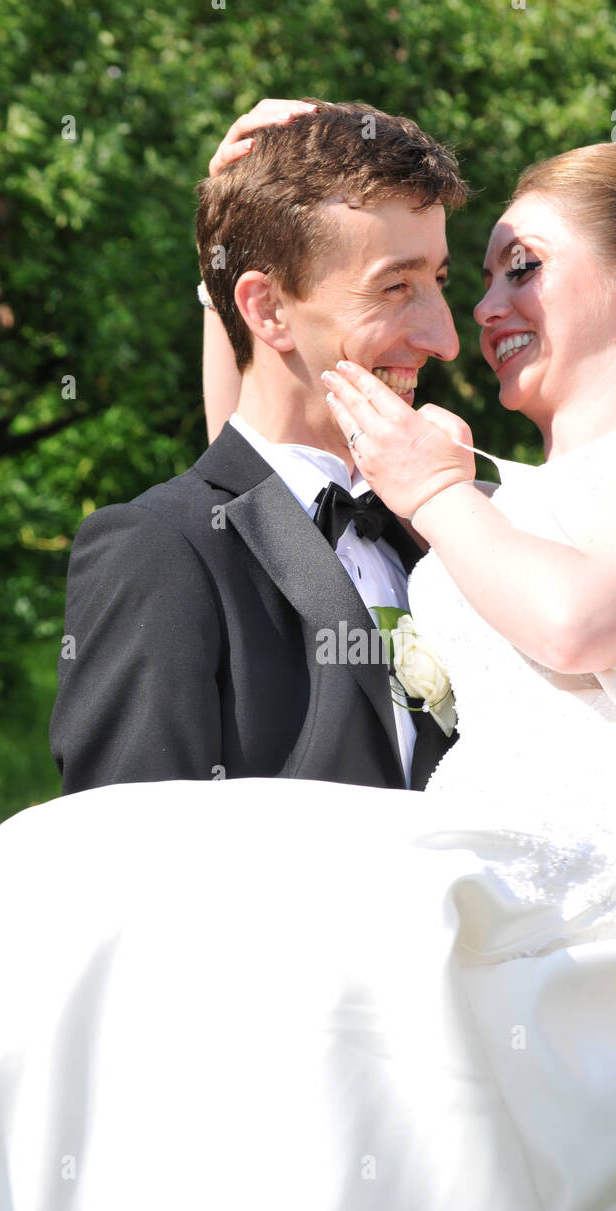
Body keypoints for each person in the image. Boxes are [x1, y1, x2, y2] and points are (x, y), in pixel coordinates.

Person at [0, 134, 616, 1211]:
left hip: (607, 891)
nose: (475, 315)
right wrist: (239, 235)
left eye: (515, 270)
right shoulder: (486, 491)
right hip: (487, 866)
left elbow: (574, 620)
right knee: (70, 865)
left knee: (370, 911)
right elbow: (252, 480)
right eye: (461, 277)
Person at [48, 100, 467, 796]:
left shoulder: (452, 527)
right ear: (268, 309)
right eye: (396, 286)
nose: (444, 340)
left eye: (439, 281)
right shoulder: (160, 548)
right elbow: (126, 866)